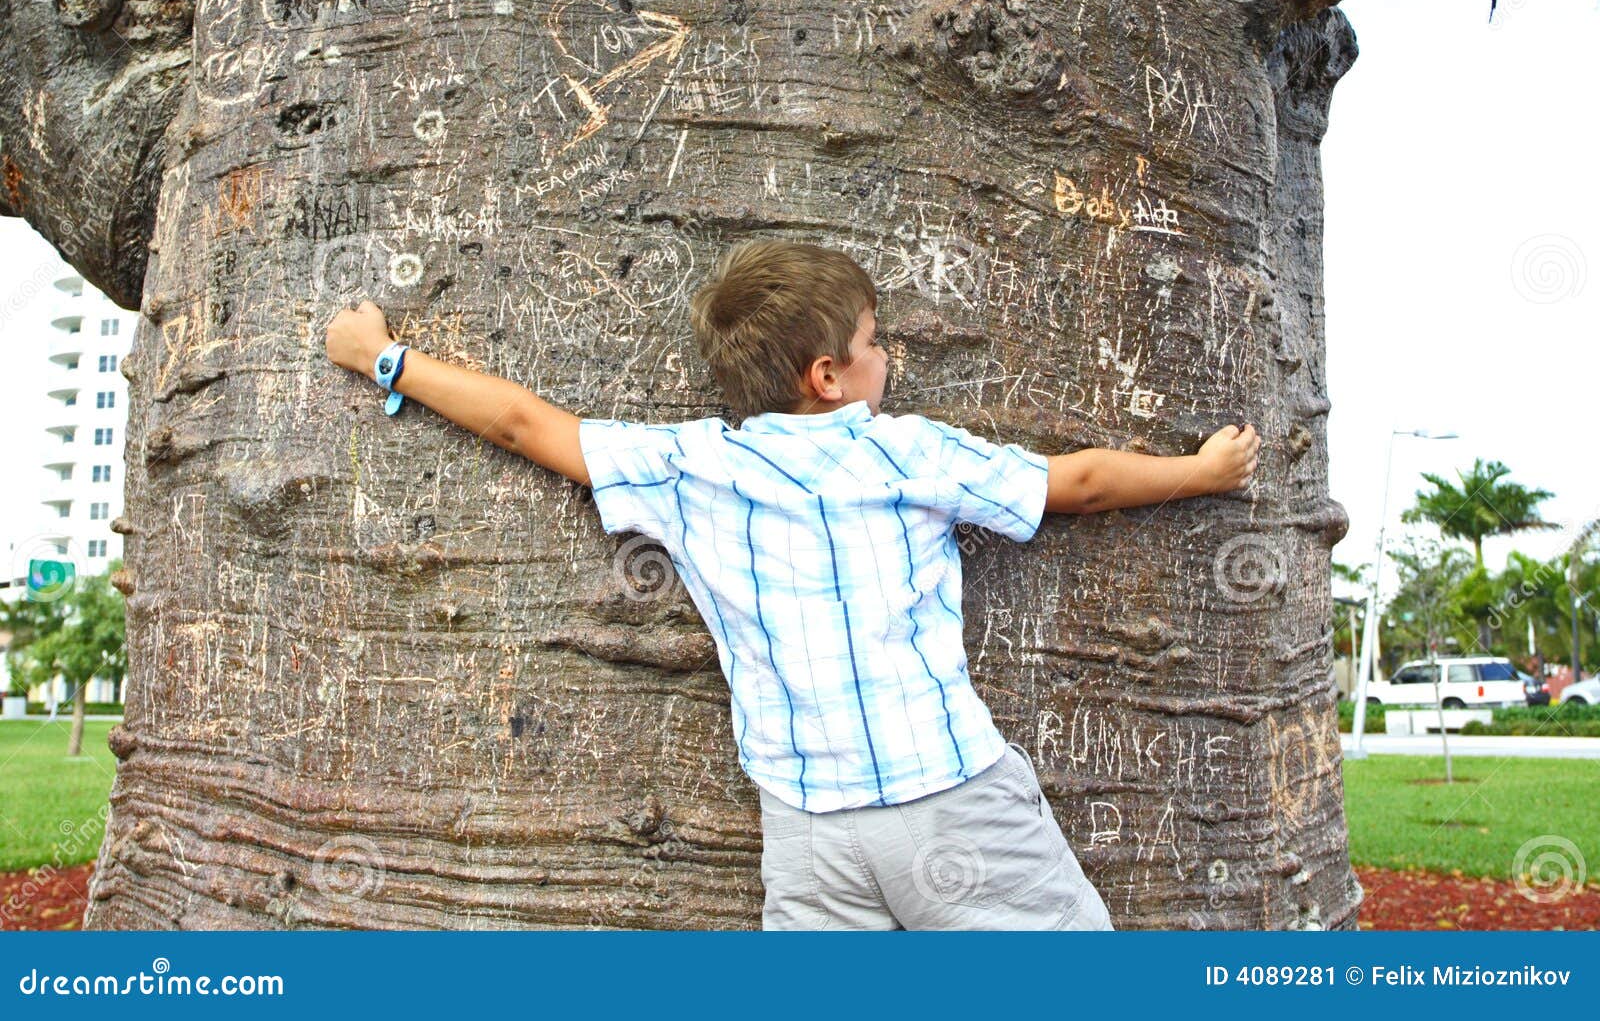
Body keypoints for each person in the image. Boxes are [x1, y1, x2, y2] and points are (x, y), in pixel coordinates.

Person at [324, 236, 1260, 930]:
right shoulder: (907, 452)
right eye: (873, 340)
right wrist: (1203, 472)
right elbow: (1079, 483)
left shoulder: (690, 468)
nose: (888, 353)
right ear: (829, 377)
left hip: (810, 833)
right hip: (946, 801)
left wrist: (382, 356)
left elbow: (528, 425)